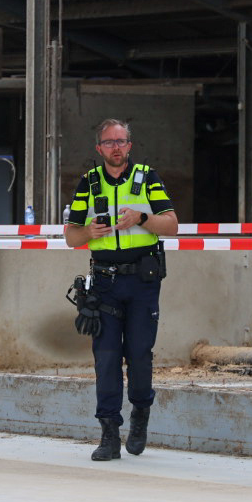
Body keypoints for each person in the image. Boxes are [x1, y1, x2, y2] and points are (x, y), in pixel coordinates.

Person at [64, 119, 179, 461]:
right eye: (109, 142)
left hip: (142, 281)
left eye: (121, 141)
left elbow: (171, 225)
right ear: (99, 148)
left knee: (140, 353)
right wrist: (89, 233)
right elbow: (71, 237)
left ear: (130, 145)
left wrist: (142, 218)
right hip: (104, 282)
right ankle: (109, 433)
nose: (116, 147)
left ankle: (140, 415)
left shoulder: (148, 177)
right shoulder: (89, 182)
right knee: (107, 356)